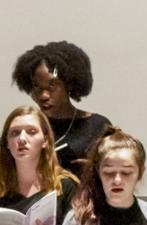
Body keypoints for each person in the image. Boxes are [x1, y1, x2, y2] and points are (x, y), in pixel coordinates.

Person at [12, 41, 112, 176]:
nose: (43, 95)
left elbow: (122, 168)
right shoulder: (26, 126)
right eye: (36, 86)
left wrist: (97, 168)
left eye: (52, 85)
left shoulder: (98, 126)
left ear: (69, 84)